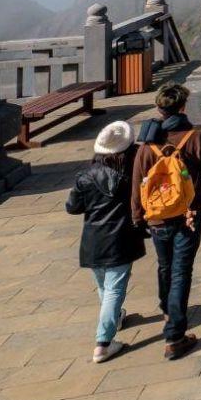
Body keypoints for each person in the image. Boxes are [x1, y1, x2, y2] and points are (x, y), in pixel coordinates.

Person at [130, 83, 201, 361]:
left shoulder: (148, 143)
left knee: (165, 265)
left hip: (158, 217)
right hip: (190, 213)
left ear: (159, 108)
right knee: (180, 270)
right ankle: (175, 335)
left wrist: (138, 216)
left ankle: (167, 310)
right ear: (183, 106)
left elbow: (138, 182)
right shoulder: (197, 138)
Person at [65, 120, 144, 363]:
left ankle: (115, 319)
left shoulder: (85, 177)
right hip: (120, 239)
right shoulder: (129, 175)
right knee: (114, 289)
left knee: (104, 287)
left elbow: (72, 207)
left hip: (92, 242)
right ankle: (103, 343)